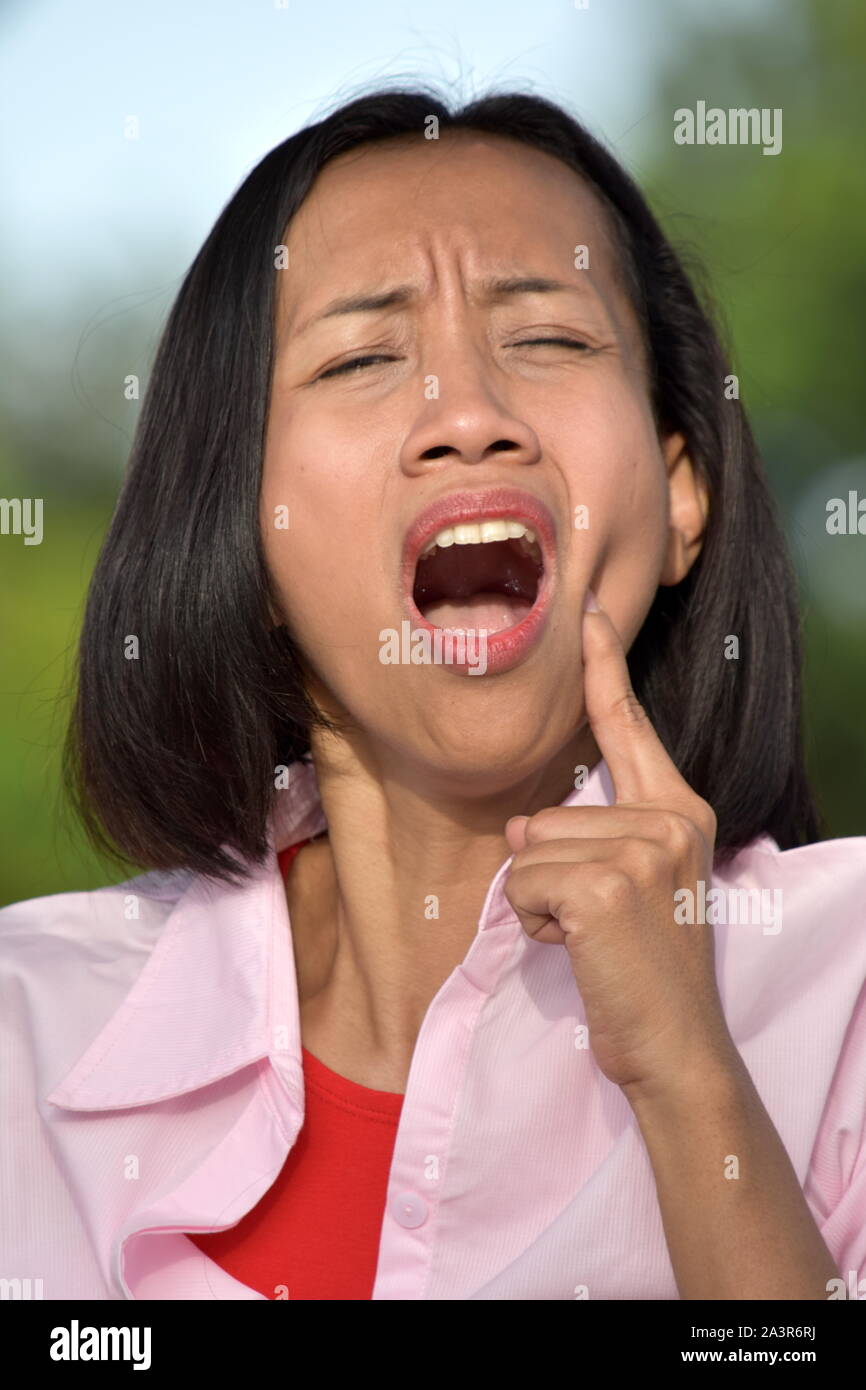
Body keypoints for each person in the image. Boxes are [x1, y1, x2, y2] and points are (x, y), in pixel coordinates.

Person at [1, 87, 864, 1302]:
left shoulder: (846, 981)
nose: (467, 416)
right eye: (360, 355)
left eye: (550, 339)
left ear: (680, 497)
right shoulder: (24, 1029)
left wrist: (686, 1071)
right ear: (241, 537)